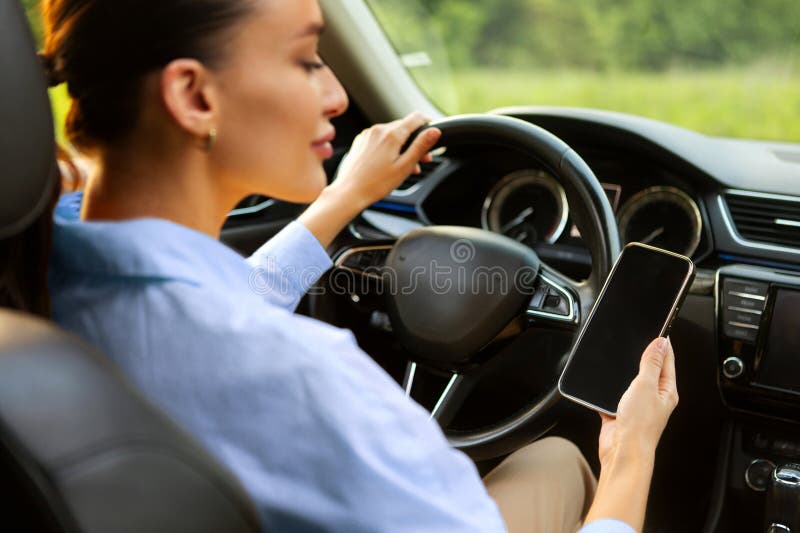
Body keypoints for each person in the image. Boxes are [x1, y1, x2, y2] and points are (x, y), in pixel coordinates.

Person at [42, 0, 678, 531]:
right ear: (193, 95)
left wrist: (343, 198)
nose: (337, 95)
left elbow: (223, 300)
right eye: (306, 60)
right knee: (560, 462)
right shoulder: (301, 375)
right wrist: (631, 450)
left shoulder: (46, 271)